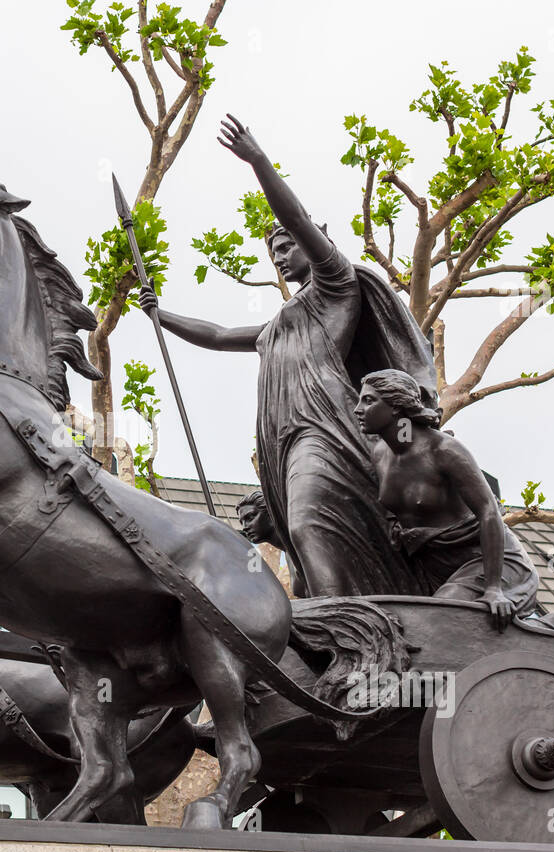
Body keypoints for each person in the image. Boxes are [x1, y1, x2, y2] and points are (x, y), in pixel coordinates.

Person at [139, 114, 436, 597]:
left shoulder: (337, 286)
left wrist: (257, 161)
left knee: (307, 521)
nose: (278, 255)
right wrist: (160, 315)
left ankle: (338, 621)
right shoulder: (279, 324)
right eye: (273, 250)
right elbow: (217, 335)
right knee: (302, 537)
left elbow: (295, 217)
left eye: (286, 246)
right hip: (281, 434)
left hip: (325, 422)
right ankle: (334, 608)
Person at [353, 368, 540, 630]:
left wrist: (494, 588)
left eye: (369, 401)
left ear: (396, 407)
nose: (357, 409)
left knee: (439, 617)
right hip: (431, 565)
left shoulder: (444, 451)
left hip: (488, 563)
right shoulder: (380, 453)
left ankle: (543, 627)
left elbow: (489, 512)